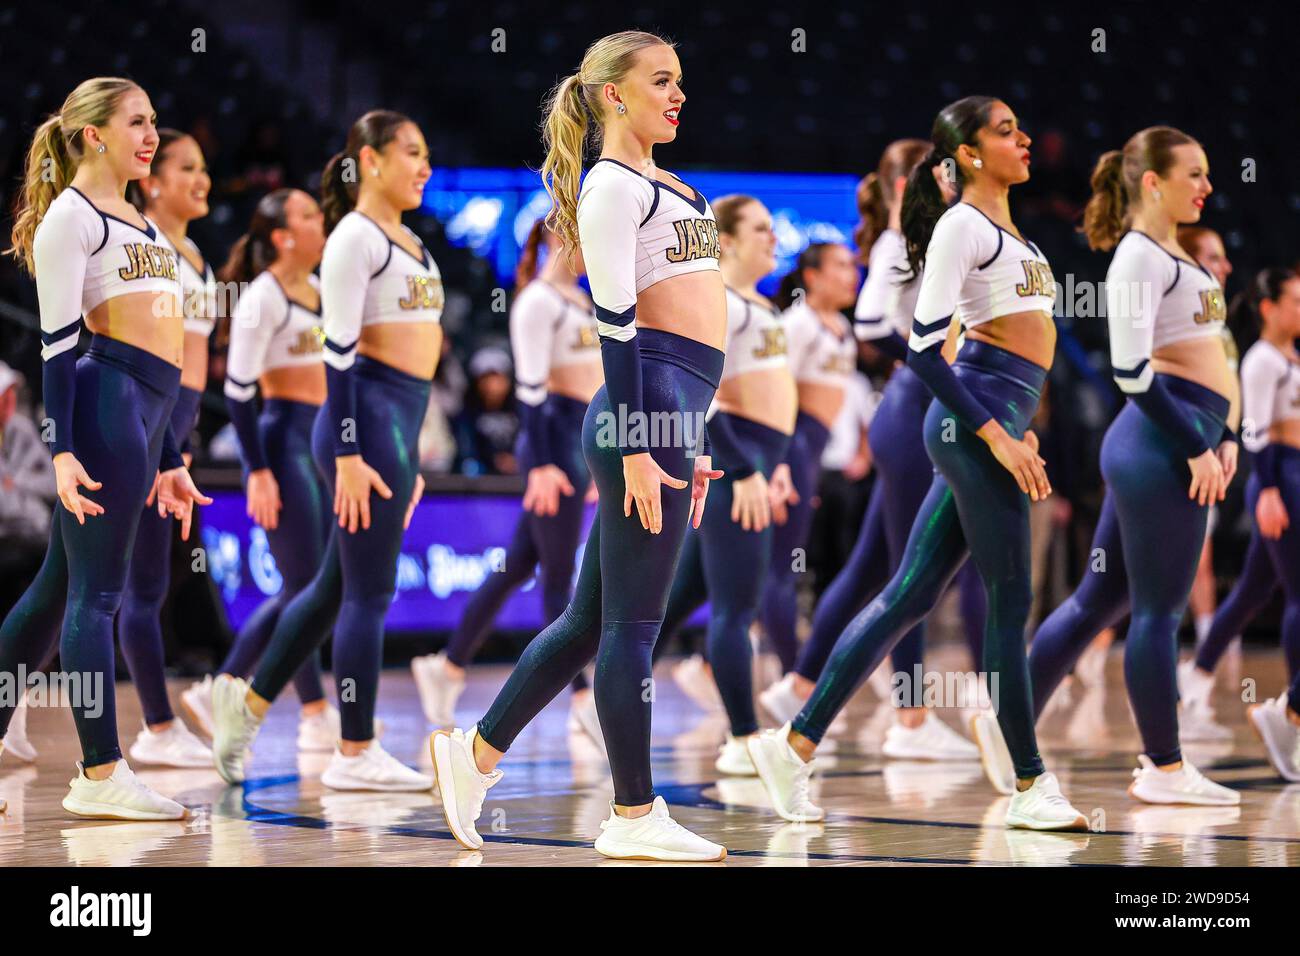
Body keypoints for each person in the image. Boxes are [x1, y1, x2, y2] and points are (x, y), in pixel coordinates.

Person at [747, 96, 1088, 831]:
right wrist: (997, 433)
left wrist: (1015, 427)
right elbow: (923, 350)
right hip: (972, 422)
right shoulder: (963, 226)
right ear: (967, 154)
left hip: (998, 418)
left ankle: (793, 743)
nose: (1025, 138)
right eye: (1005, 131)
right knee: (1008, 597)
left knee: (908, 594)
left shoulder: (1012, 233)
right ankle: (1030, 782)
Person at [430, 31, 729, 861]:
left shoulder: (672, 185)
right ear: (611, 95)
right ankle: (633, 815)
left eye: (680, 80)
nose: (676, 96)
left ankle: (474, 753)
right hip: (642, 405)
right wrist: (642, 440)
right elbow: (619, 327)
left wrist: (686, 439)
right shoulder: (608, 187)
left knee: (589, 617)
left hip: (673, 410)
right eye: (659, 81)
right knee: (632, 625)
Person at [1004, 127, 1240, 807]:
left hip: (1177, 439)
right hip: (1160, 444)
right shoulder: (1140, 255)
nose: (1207, 187)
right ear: (1152, 183)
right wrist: (1196, 442)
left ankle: (1006, 721)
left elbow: (1205, 357)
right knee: (1158, 612)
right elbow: (1133, 371)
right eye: (1194, 174)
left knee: (1099, 601)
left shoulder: (1173, 252)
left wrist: (1224, 433)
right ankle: (1164, 769)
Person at [211, 110, 440, 793]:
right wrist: (348, 453)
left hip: (394, 426)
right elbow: (340, 358)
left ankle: (245, 709)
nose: (424, 166)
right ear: (369, 160)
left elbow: (417, 363)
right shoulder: (354, 240)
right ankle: (354, 749)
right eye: (411, 153)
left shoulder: (411, 241)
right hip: (360, 423)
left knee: (333, 587)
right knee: (369, 593)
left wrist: (410, 457)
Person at [0, 77, 209, 820]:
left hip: (148, 412)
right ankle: (98, 773)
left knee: (58, 592)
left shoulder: (139, 219)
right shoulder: (71, 217)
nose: (151, 135)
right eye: (136, 122)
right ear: (93, 135)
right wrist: (61, 448)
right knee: (99, 596)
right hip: (104, 402)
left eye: (154, 120)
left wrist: (172, 459)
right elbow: (57, 349)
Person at [412, 219, 602, 735]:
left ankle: (448, 665)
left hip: (579, 438)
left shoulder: (582, 302)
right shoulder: (537, 302)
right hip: (552, 440)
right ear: (564, 238)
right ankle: (582, 696)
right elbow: (532, 394)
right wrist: (541, 464)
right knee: (560, 575)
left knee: (520, 564)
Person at [180, 188, 340, 752]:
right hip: (281, 440)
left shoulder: (321, 290)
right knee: (305, 586)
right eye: (308, 216)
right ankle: (314, 713)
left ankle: (224, 685)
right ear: (282, 236)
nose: (321, 224)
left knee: (314, 586)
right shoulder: (262, 299)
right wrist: (257, 470)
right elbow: (239, 391)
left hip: (319, 440)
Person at [655, 194, 796, 774]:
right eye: (761, 230)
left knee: (678, 597)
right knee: (736, 608)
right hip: (734, 462)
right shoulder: (721, 304)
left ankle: (598, 692)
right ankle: (742, 739)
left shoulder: (757, 305)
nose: (773, 238)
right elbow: (703, 403)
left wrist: (779, 462)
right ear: (729, 240)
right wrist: (743, 470)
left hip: (762, 459)